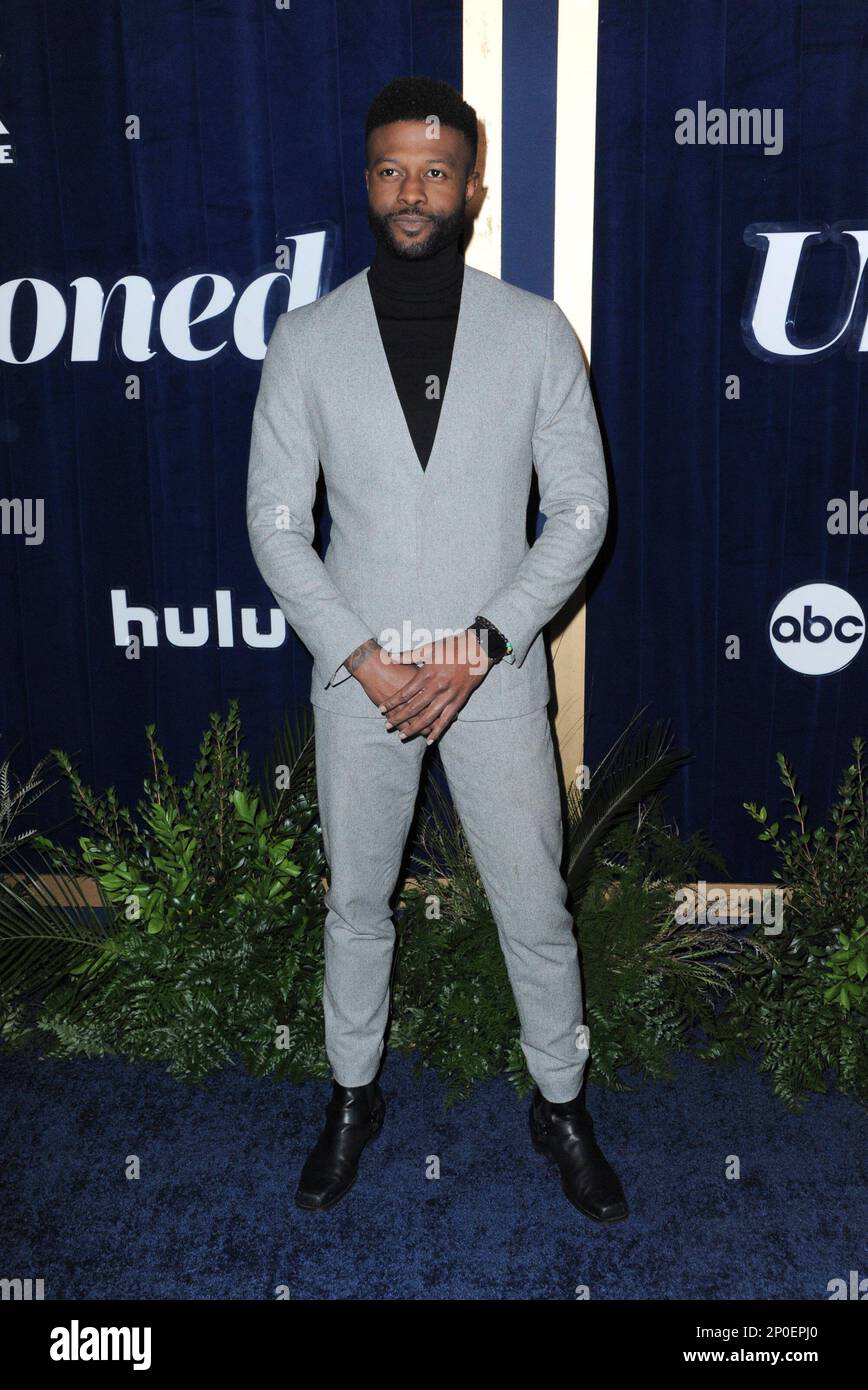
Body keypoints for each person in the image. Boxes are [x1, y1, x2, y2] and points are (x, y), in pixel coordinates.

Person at [246, 75, 627, 1224]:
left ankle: (559, 1102)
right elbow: (274, 522)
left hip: (496, 675)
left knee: (533, 908)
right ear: (368, 180)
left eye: (435, 169)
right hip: (358, 678)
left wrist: (484, 641)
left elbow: (580, 512)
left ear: (472, 187)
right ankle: (352, 1095)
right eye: (390, 168)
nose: (412, 190)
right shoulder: (307, 341)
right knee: (356, 903)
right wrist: (360, 656)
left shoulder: (532, 332)